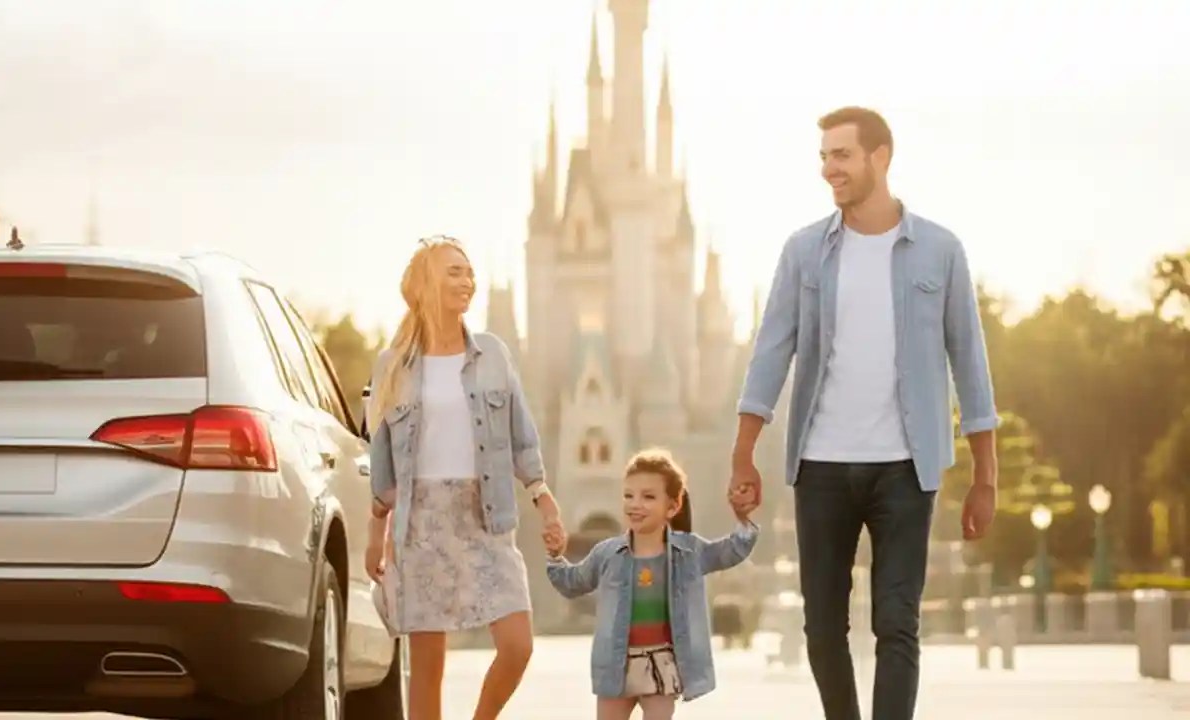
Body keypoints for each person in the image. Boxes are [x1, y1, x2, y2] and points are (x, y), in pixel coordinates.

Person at [732, 107, 999, 719]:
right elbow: (771, 352)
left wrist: (985, 477)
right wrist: (743, 450)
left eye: (842, 155)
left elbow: (971, 367)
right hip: (821, 465)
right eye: (824, 156)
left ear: (880, 158)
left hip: (907, 467)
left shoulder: (940, 251)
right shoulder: (803, 252)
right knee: (822, 627)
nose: (829, 169)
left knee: (897, 623)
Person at [364, 235, 567, 720]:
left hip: (486, 515)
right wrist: (378, 535)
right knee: (427, 670)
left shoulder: (493, 354)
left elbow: (522, 437)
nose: (466, 280)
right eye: (454, 271)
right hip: (422, 523)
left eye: (469, 271)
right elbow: (383, 462)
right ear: (426, 284)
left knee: (517, 645)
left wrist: (544, 499)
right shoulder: (393, 366)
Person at [545, 448, 758, 720]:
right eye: (628, 496)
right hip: (616, 664)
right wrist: (555, 556)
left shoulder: (688, 553)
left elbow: (730, 551)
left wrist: (744, 519)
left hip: (662, 663)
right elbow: (573, 583)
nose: (635, 504)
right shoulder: (608, 554)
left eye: (648, 497)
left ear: (672, 506)